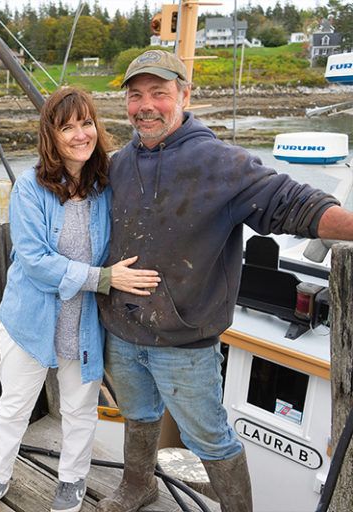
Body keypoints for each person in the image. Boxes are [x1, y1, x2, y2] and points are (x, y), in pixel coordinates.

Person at [95, 49, 353, 512]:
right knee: (137, 413)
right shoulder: (114, 164)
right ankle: (138, 485)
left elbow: (296, 204)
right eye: (136, 96)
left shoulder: (221, 162)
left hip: (184, 341)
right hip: (120, 329)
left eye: (159, 92)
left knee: (210, 436)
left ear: (185, 95)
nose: (146, 105)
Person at [0, 87, 160, 512]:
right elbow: (35, 261)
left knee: (80, 410)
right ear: (50, 136)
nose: (80, 134)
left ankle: (71, 483)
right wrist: (103, 278)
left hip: (85, 323)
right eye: (67, 126)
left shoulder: (107, 187)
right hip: (30, 319)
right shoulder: (29, 187)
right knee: (15, 405)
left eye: (86, 123)